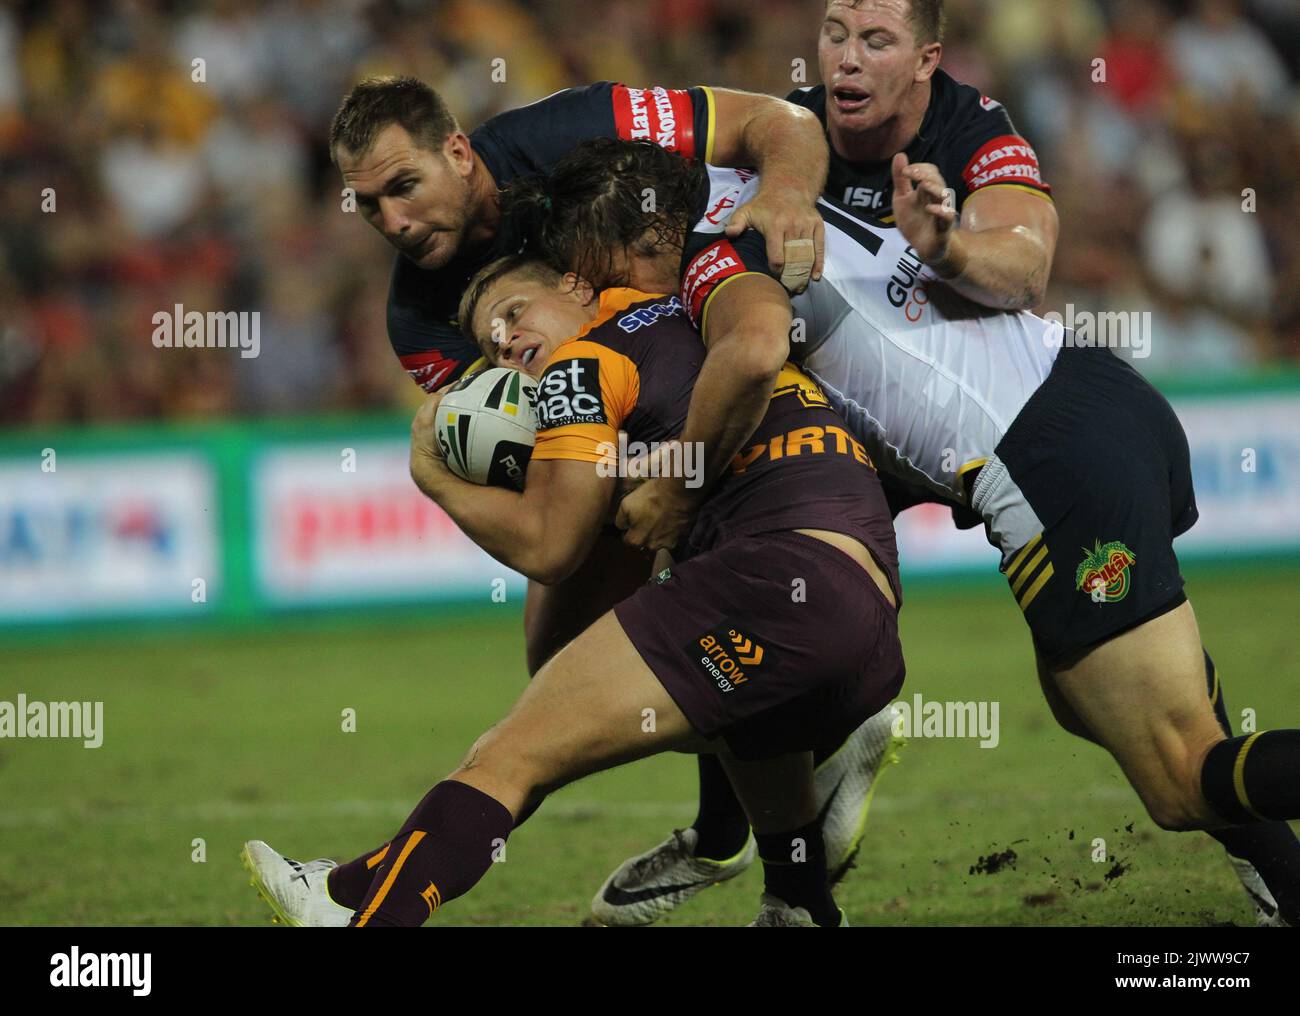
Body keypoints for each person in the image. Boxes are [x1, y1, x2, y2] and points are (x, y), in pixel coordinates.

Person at [507, 136, 1300, 927]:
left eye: (609, 279)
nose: (610, 308)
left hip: (1046, 457)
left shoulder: (715, 256)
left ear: (650, 238)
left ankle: (795, 815)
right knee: (1093, 705)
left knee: (1179, 777)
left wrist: (675, 484)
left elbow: (749, 354)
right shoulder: (762, 190)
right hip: (1088, 391)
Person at [320, 74, 905, 923]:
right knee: (562, 652)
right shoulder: (420, 322)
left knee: (540, 730)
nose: (393, 224)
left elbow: (775, 121)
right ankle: (789, 868)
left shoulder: (571, 131)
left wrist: (780, 199)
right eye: (367, 206)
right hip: (812, 524)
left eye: (403, 187)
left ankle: (359, 903)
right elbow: (526, 453)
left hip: (791, 350)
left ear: (458, 150)